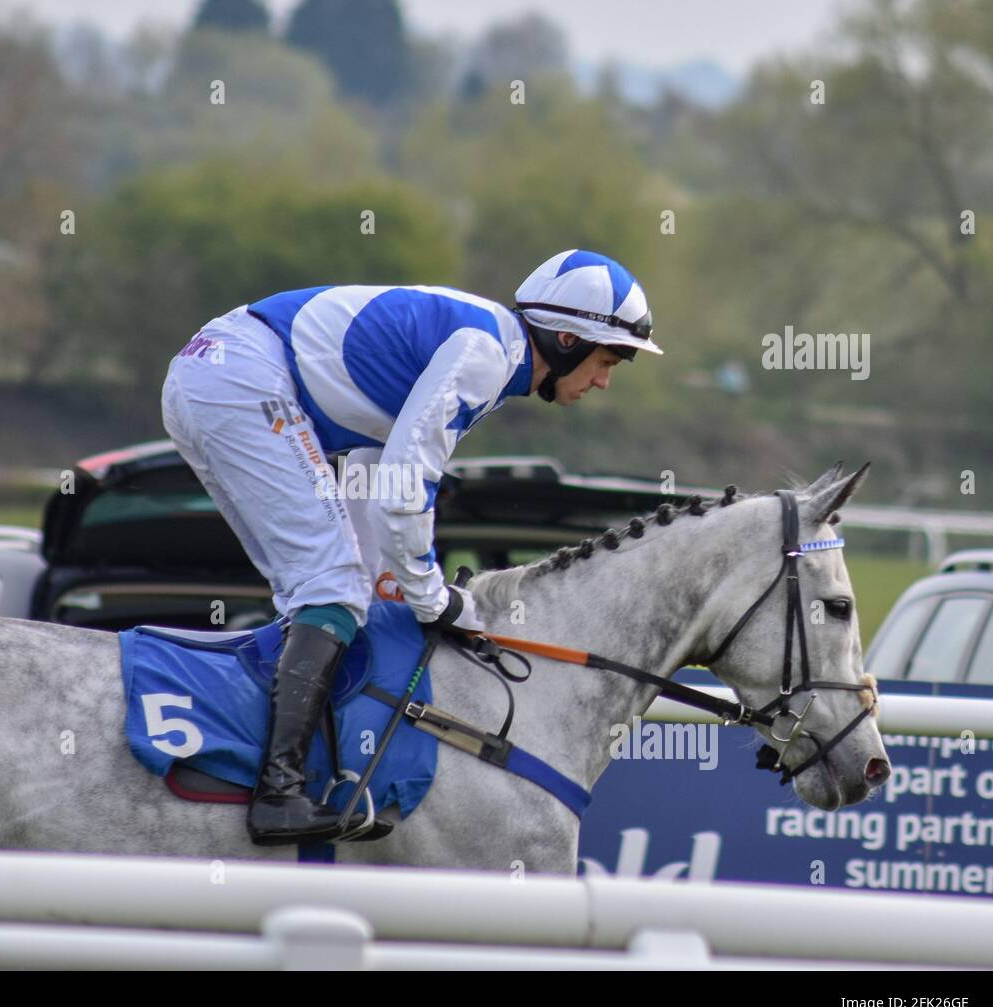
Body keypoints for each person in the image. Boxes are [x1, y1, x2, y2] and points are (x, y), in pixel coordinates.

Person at [160, 249, 663, 846]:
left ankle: (283, 766)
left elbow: (374, 470)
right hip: (239, 376)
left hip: (219, 372)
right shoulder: (484, 354)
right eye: (608, 360)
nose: (604, 380)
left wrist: (390, 580)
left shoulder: (488, 351)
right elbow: (403, 489)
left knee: (331, 591)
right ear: (565, 339)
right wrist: (433, 598)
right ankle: (277, 795)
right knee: (330, 589)